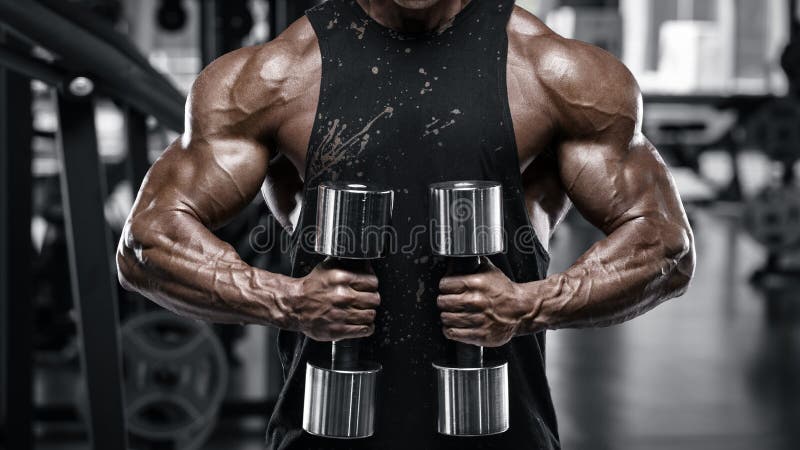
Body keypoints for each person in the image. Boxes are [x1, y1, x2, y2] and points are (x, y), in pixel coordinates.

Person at [117, 0, 696, 448]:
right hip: (323, 431)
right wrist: (286, 301)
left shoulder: (556, 73)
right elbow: (147, 242)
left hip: (501, 430)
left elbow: (664, 244)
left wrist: (530, 305)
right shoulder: (273, 78)